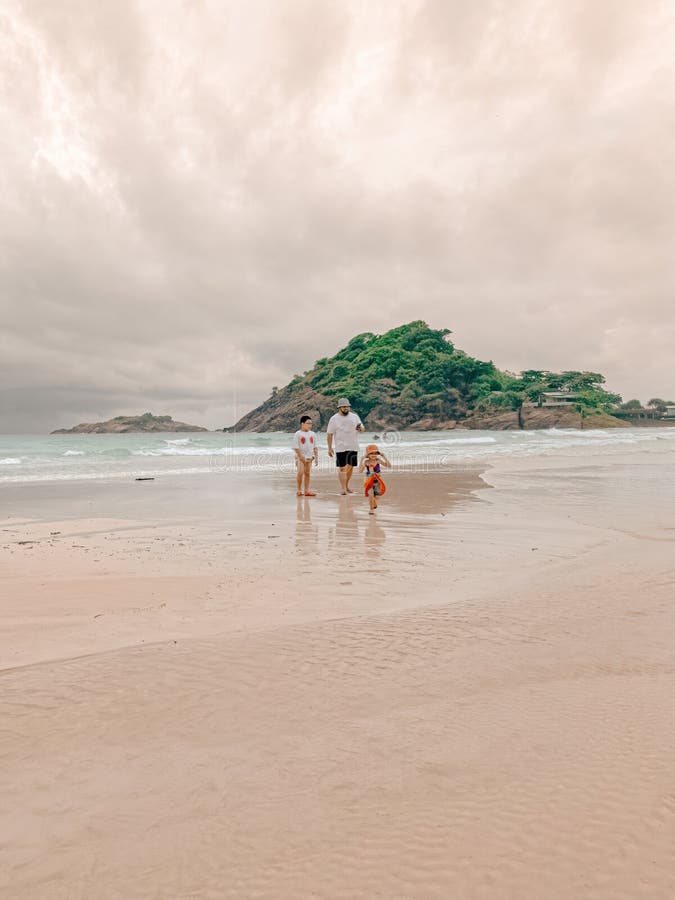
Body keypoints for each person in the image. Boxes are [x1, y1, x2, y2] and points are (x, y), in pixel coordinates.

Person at [326, 398, 364, 495]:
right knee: (342, 468)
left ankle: (346, 486)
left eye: (347, 407)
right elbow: (329, 434)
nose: (346, 408)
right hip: (340, 447)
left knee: (350, 467)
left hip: (353, 446)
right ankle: (343, 488)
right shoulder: (334, 419)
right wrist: (330, 448)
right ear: (339, 407)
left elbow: (362, 428)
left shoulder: (354, 417)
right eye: (344, 407)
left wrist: (361, 429)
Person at [358, 443, 391, 514]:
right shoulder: (366, 462)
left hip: (377, 480)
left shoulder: (378, 460)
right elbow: (360, 471)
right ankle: (371, 509)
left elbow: (389, 466)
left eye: (375, 453)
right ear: (368, 455)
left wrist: (384, 457)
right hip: (368, 480)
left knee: (377, 496)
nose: (373, 455)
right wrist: (361, 461)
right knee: (370, 494)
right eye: (371, 453)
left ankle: (374, 502)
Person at [293, 414, 318, 496]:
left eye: (311, 423)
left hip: (310, 457)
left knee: (307, 473)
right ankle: (299, 490)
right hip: (301, 457)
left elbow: (315, 447)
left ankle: (307, 490)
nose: (310, 425)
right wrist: (301, 457)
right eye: (308, 423)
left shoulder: (313, 434)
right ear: (302, 424)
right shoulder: (298, 434)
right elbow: (296, 448)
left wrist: (316, 457)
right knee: (300, 473)